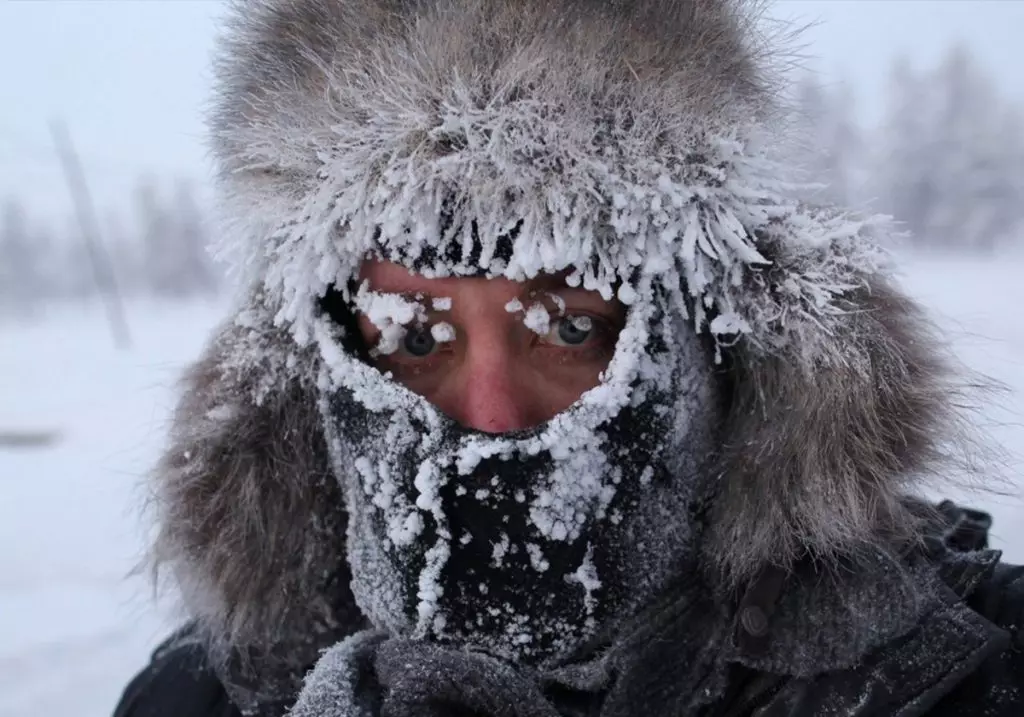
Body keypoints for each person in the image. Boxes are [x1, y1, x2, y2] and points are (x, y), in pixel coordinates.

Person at [113, 0, 1023, 715]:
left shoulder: (962, 667)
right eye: (414, 336)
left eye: (568, 328)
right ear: (316, 364)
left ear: (705, 345)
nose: (492, 413)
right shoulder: (199, 697)